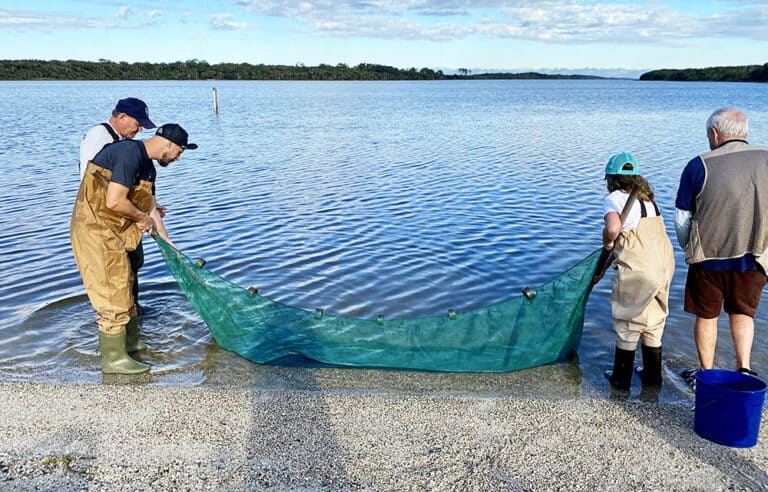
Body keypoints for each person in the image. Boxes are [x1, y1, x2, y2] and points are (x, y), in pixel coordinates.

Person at [71, 123, 197, 374]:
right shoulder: (129, 153)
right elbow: (115, 200)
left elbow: (149, 207)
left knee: (126, 288)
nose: (179, 157)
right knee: (112, 293)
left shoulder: (147, 167)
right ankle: (114, 359)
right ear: (168, 144)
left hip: (116, 233)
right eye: (179, 151)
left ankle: (130, 344)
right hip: (96, 232)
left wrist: (170, 245)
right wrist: (141, 219)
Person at [675, 108, 768, 378]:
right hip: (756, 255)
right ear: (744, 132)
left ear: (715, 134)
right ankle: (744, 369)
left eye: (708, 135)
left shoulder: (699, 165)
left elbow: (682, 218)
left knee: (706, 315)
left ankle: (707, 373)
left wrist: (688, 248)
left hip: (709, 257)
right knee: (743, 312)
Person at [601, 152, 675, 391]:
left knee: (628, 319)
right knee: (654, 319)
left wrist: (608, 243)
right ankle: (652, 377)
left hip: (639, 268)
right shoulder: (648, 201)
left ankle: (621, 379)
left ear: (611, 178)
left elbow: (613, 228)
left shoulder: (615, 199)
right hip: (664, 265)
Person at [80, 98, 157, 316]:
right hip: (104, 217)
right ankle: (119, 318)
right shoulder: (99, 136)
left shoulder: (124, 142)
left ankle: (134, 310)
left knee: (134, 262)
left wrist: (149, 204)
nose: (140, 129)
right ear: (121, 116)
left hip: (123, 213)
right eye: (137, 123)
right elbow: (95, 180)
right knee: (115, 272)